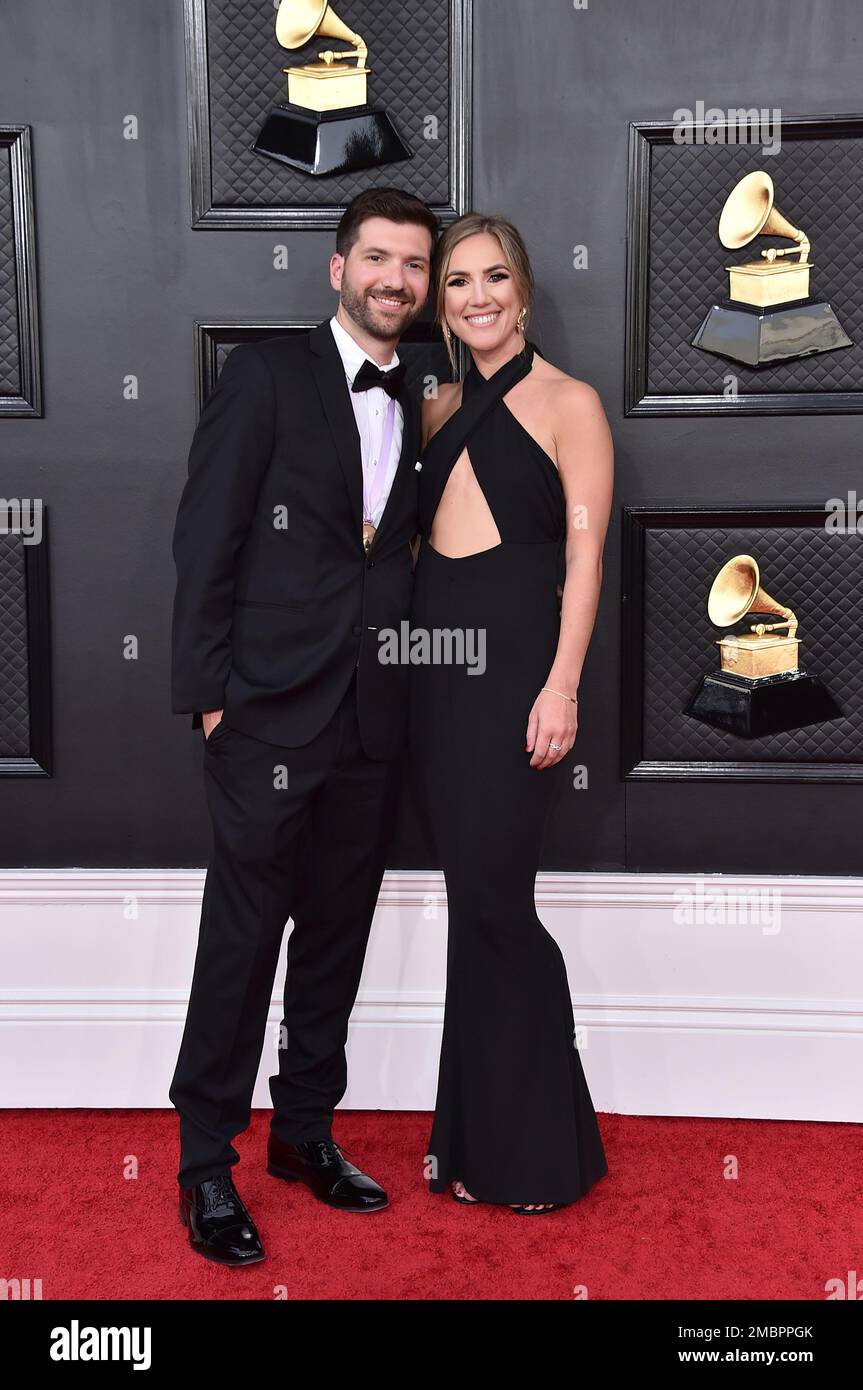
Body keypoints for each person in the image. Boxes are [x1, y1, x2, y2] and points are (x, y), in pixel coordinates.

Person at [169, 187, 437, 1265]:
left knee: (335, 937)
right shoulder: (266, 376)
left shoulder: (427, 390)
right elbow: (205, 538)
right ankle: (204, 1164)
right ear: (338, 269)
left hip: (372, 717)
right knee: (241, 944)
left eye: (412, 264)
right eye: (377, 259)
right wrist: (211, 697)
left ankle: (303, 1132)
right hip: (265, 714)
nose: (395, 280)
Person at [408, 213, 613, 1213]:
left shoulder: (571, 402)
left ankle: (538, 1156)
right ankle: (470, 1145)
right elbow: (408, 548)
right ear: (441, 304)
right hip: (434, 680)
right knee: (470, 903)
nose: (477, 296)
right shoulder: (436, 407)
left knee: (497, 905)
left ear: (523, 292)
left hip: (518, 678)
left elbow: (585, 553)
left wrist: (560, 683)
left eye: (494, 277)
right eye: (457, 281)